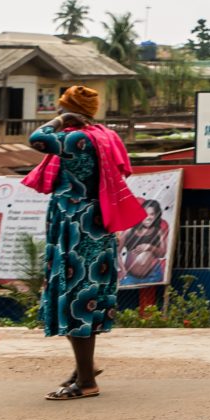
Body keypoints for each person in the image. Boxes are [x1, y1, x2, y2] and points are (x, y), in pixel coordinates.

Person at [23, 85, 144, 401]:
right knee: (87, 293)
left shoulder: (76, 138)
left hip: (76, 225)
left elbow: (36, 139)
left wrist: (60, 121)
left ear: (70, 109)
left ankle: (87, 381)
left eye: (62, 108)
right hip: (96, 221)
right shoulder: (105, 136)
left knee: (76, 296)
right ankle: (85, 367)